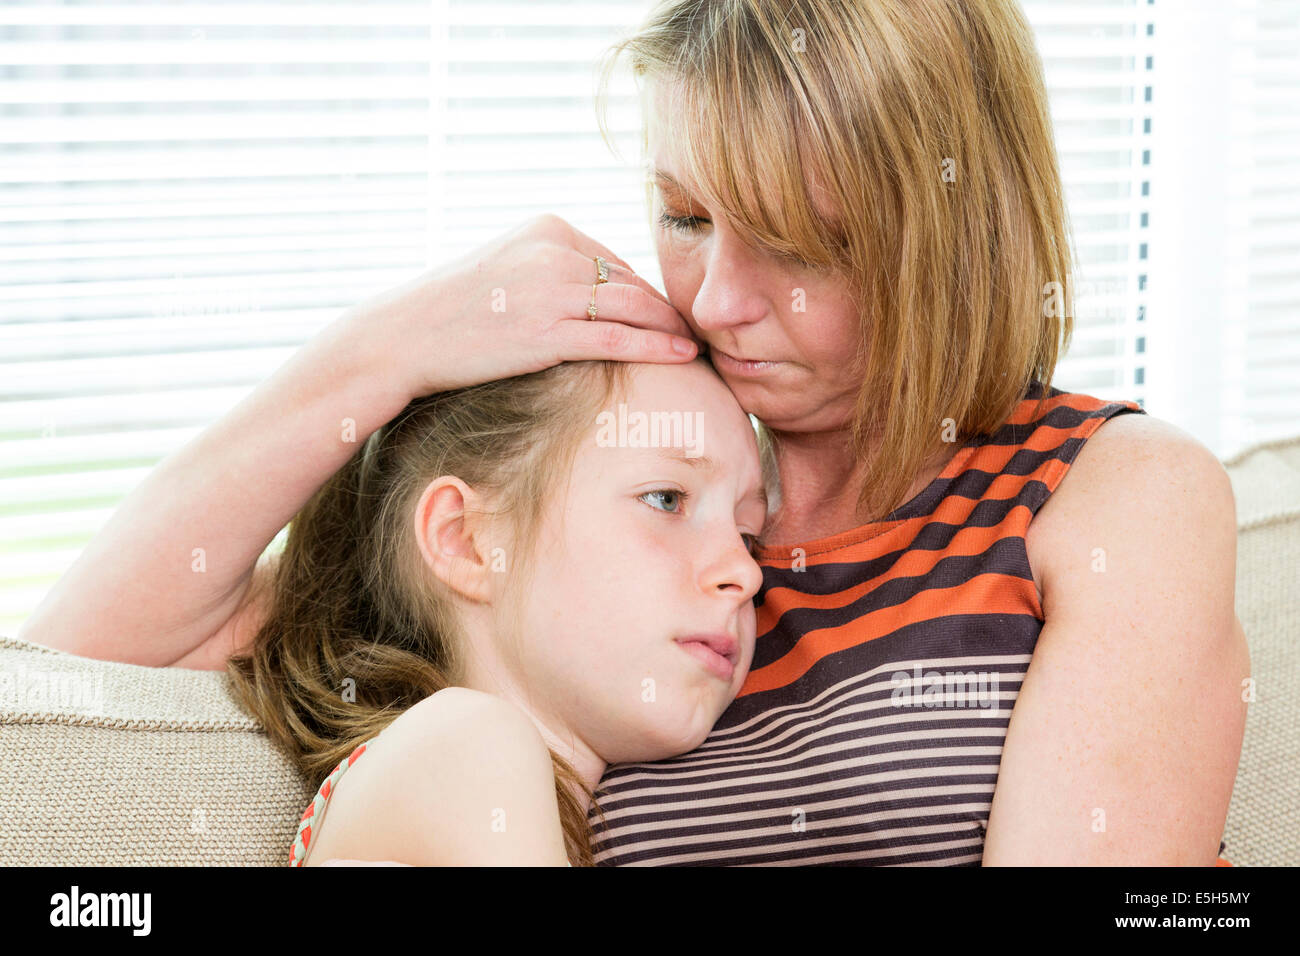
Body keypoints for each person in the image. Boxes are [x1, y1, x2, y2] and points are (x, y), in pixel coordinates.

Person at [19, 0, 1248, 865]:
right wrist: (384, 349)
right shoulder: (622, 469)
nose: (717, 303)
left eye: (804, 245)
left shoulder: (1109, 497)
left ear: (949, 234)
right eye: (684, 214)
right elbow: (70, 676)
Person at [231, 356, 766, 866]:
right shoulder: (470, 745)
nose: (747, 573)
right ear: (467, 541)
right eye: (666, 499)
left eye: (749, 536)